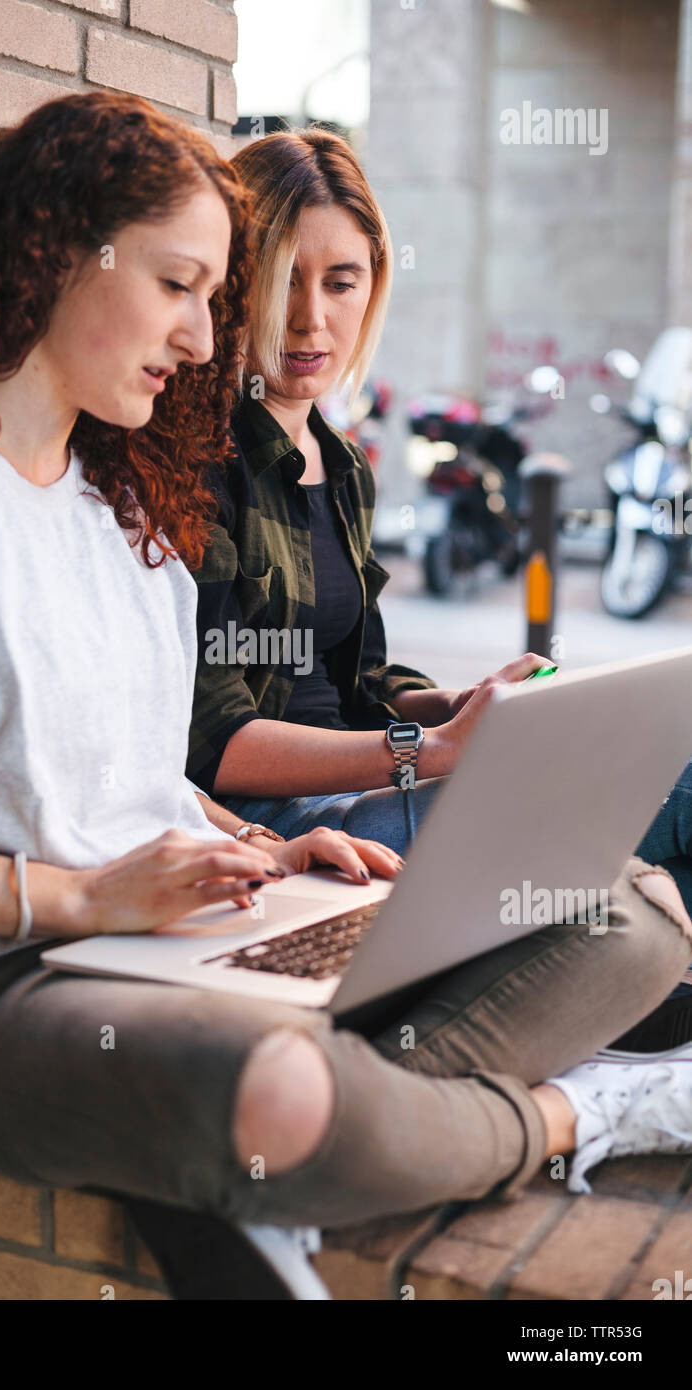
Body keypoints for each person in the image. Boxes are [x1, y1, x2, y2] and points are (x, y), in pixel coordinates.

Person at [0, 94, 692, 1304]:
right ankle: (573, 1114)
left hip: (189, 934)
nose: (199, 337)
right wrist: (77, 893)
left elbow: (138, 769)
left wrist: (257, 849)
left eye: (209, 299)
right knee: (280, 1087)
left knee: (633, 917)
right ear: (59, 249)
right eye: (181, 285)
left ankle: (283, 1153)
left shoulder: (117, 513)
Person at [186, 126, 692, 1060]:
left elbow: (362, 683)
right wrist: (426, 750)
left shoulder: (337, 463)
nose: (309, 320)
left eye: (340, 282)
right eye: (282, 278)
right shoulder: (196, 462)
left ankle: (636, 989)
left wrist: (460, 705)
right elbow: (213, 746)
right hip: (307, 831)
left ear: (374, 286)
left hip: (383, 782)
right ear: (230, 281)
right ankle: (617, 995)